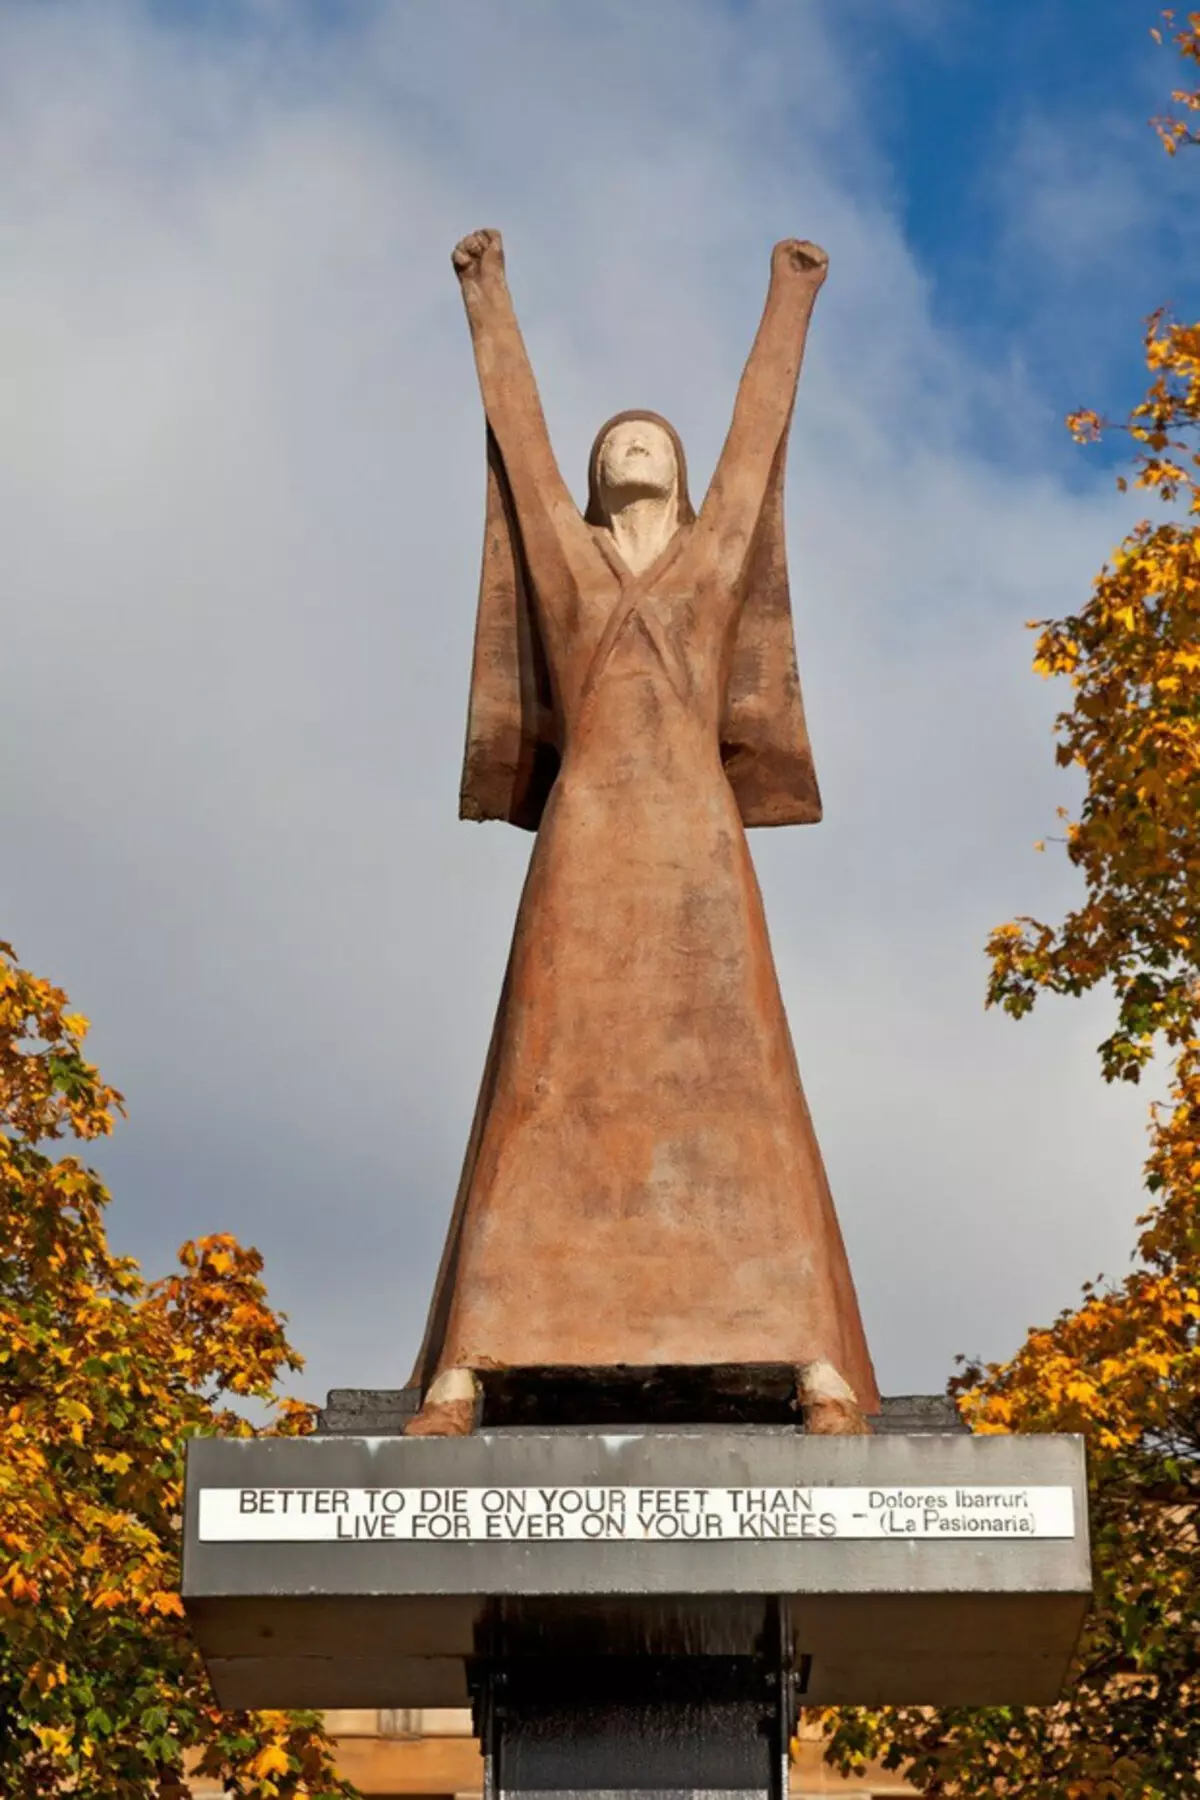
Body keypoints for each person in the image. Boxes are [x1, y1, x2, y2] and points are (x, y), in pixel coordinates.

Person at [408, 230, 878, 1435]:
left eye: (650, 442)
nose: (632, 447)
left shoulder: (714, 563)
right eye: (614, 440)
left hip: (701, 869)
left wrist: (791, 294)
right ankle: (472, 1363)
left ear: (675, 474)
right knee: (542, 1080)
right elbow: (516, 444)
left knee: (745, 1095)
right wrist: (486, 295)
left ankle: (809, 1359)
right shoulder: (565, 563)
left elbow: (760, 441)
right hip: (584, 856)